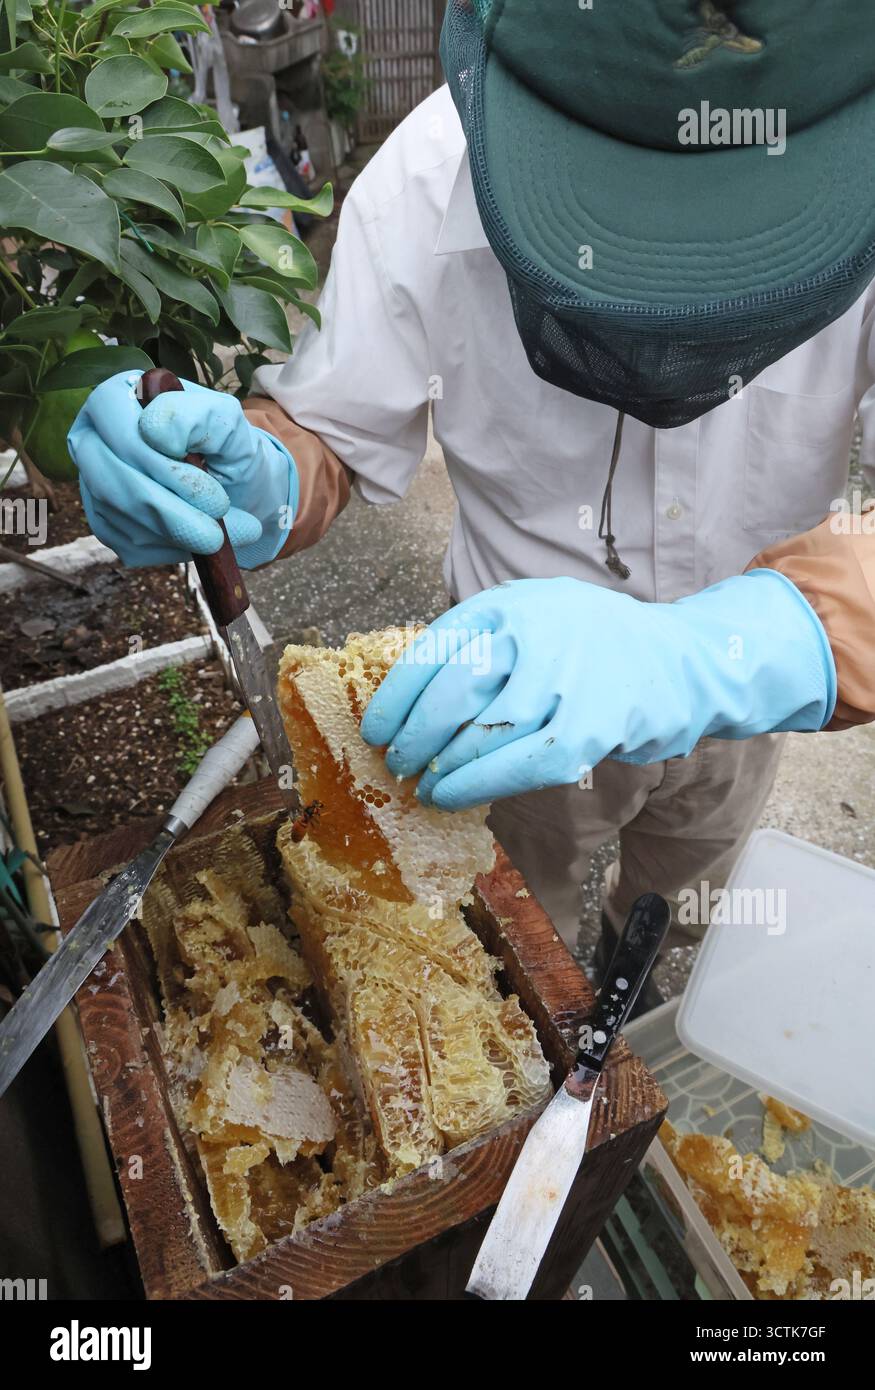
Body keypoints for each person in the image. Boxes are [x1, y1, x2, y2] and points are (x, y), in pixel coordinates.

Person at [68, 2, 875, 1002]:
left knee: (675, 934)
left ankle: (638, 1027)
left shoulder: (858, 141)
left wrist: (720, 655)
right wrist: (256, 473)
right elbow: (326, 428)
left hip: (747, 698)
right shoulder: (431, 166)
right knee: (501, 953)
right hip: (495, 703)